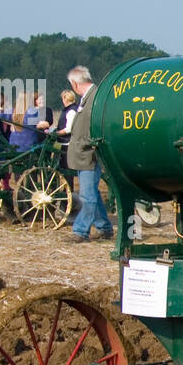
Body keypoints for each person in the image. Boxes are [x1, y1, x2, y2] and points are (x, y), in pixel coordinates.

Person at [66, 65, 112, 242]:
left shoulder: (95, 99)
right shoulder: (89, 98)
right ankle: (104, 228)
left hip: (89, 155)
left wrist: (85, 144)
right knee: (93, 193)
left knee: (87, 197)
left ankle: (80, 231)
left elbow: (96, 129)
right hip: (83, 154)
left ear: (75, 84)